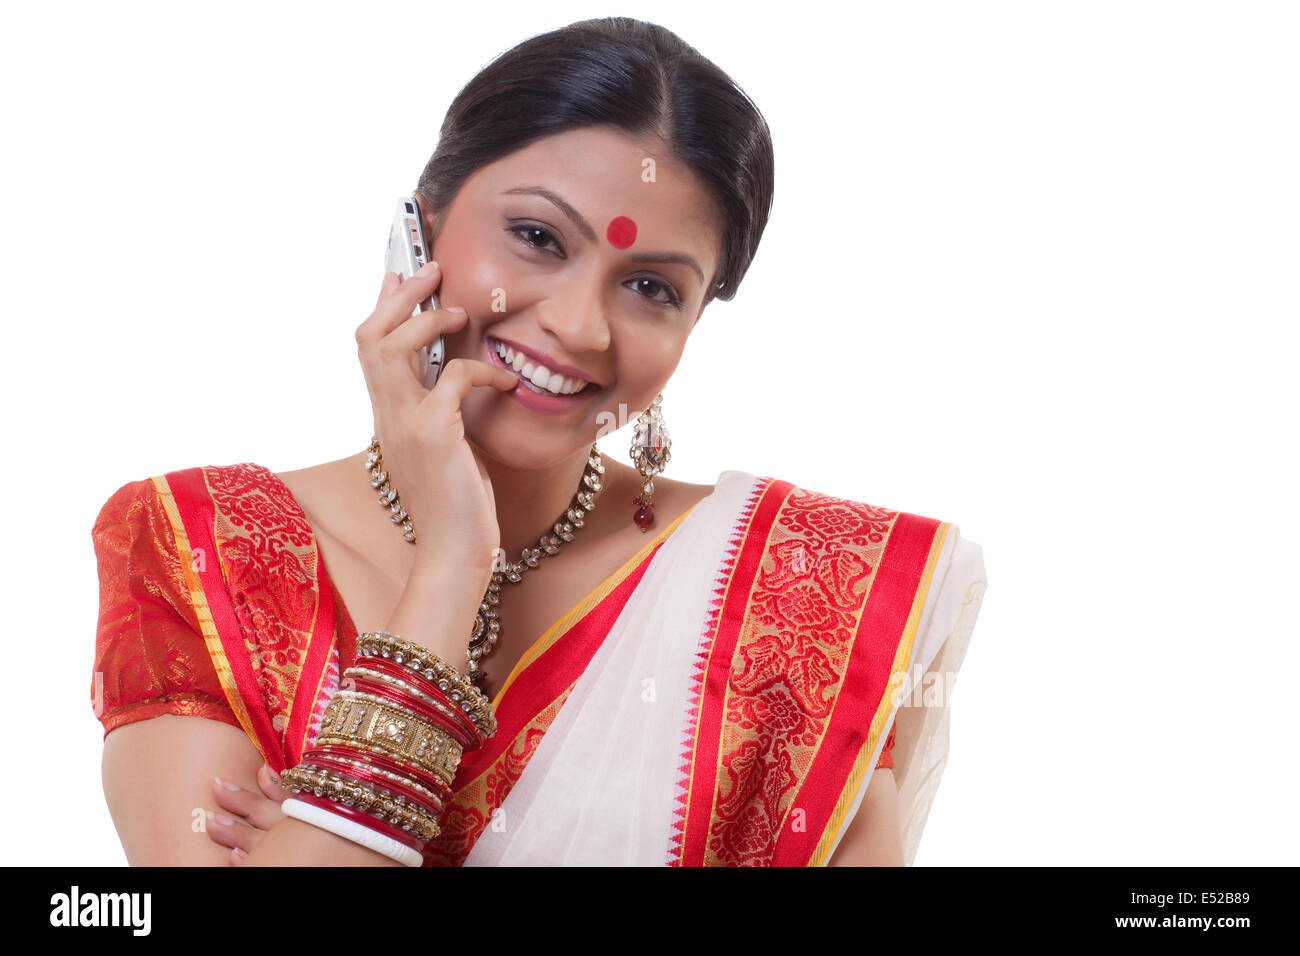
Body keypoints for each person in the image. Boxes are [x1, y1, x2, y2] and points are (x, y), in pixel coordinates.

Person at [90, 16, 987, 867]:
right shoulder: (199, 546)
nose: (580, 326)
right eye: (536, 237)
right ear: (421, 225)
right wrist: (452, 562)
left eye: (652, 288)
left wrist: (323, 830)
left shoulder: (804, 595)